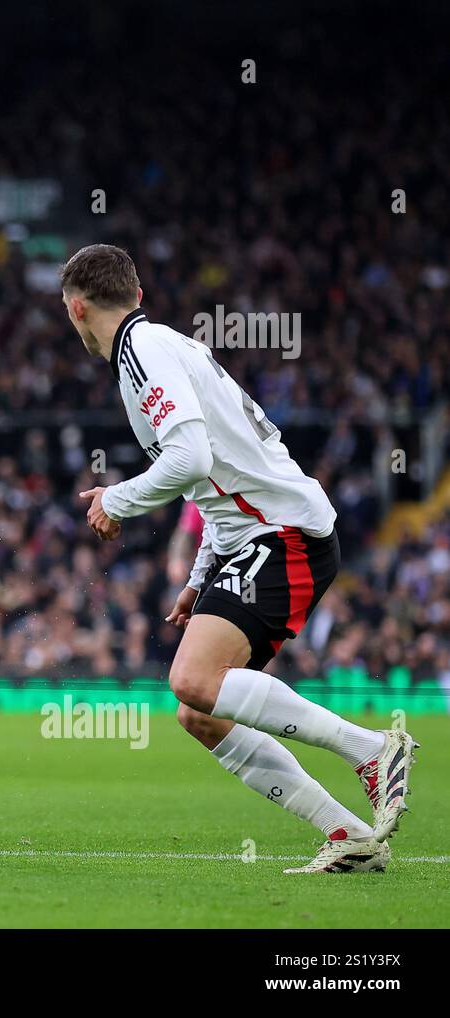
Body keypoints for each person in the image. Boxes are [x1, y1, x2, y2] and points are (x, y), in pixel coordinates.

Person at [64, 243, 417, 874]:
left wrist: (117, 499)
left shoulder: (142, 354)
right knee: (199, 712)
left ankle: (372, 749)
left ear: (76, 308)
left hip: (285, 533)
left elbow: (190, 462)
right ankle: (348, 836)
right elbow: (219, 481)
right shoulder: (168, 345)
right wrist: (200, 580)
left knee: (191, 679)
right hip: (261, 532)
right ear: (138, 294)